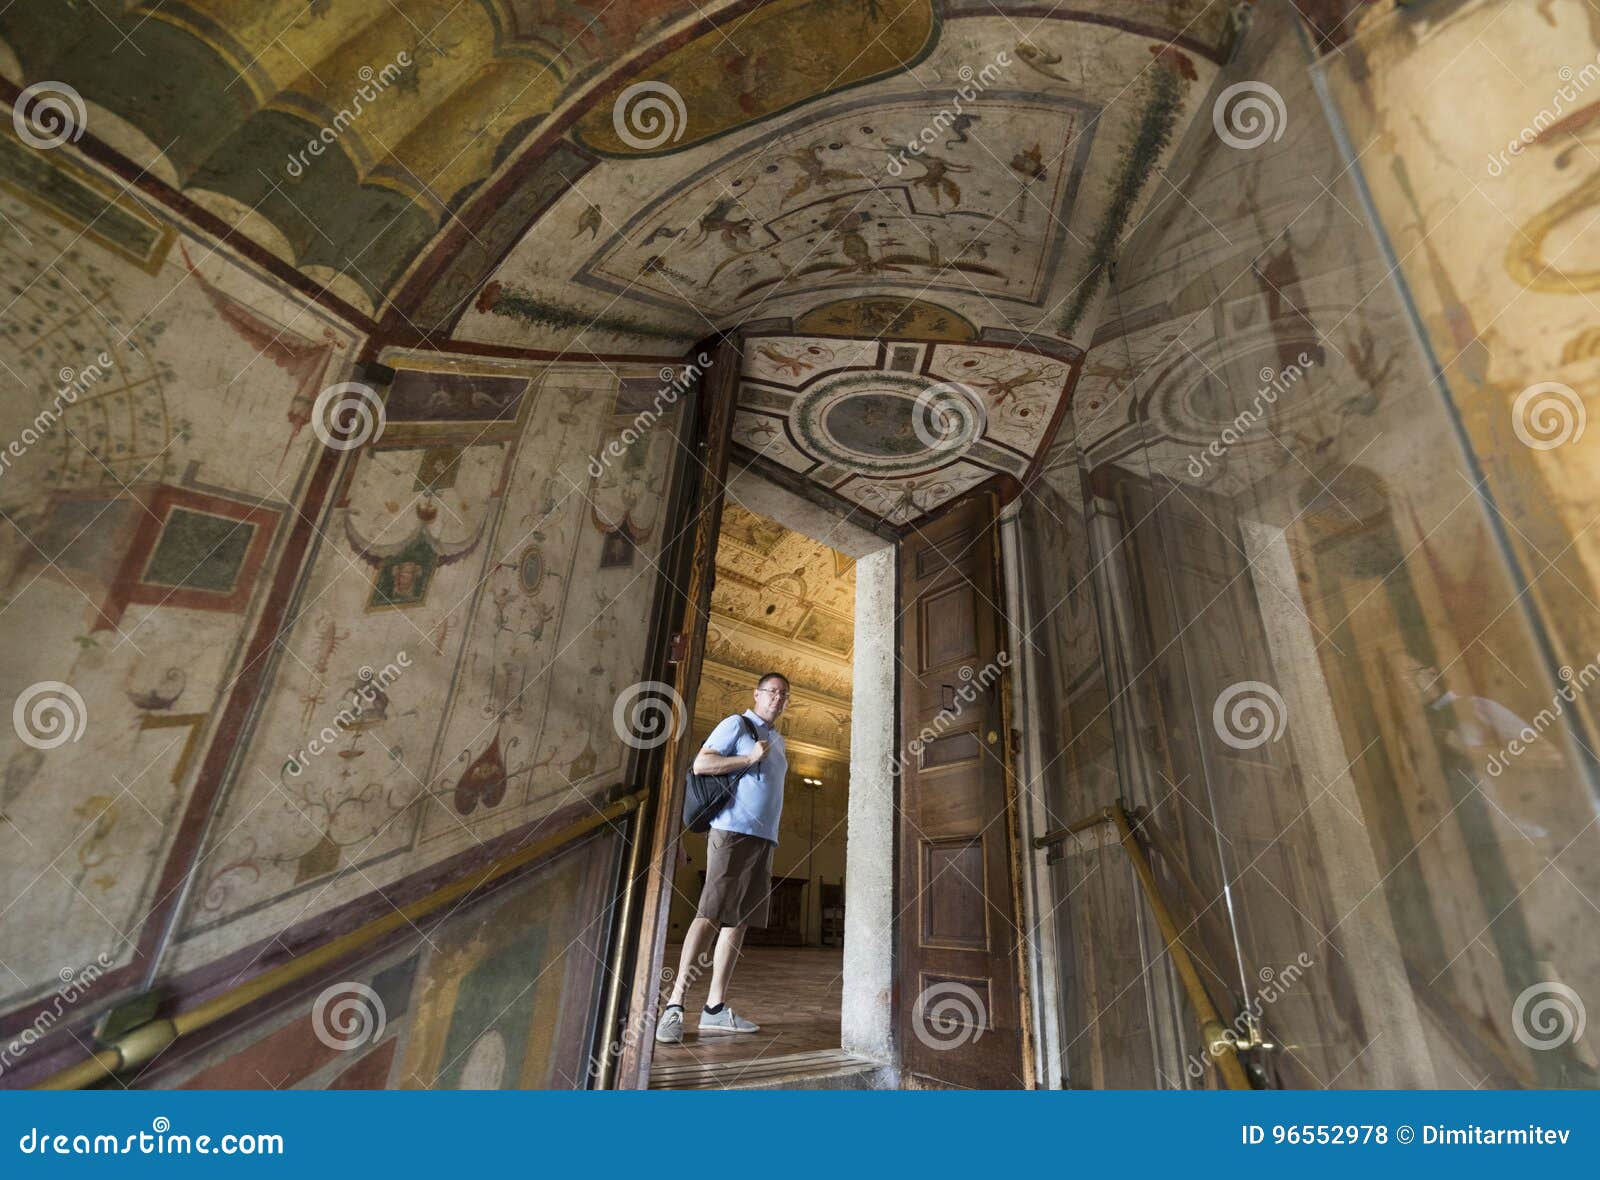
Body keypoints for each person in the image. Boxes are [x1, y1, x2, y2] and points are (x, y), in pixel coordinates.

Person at [656, 672, 790, 1042]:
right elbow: (702, 764)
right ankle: (675, 1005)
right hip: (732, 833)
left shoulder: (777, 739)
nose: (778, 699)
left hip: (764, 839)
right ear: (757, 694)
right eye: (772, 692)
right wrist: (748, 757)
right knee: (710, 914)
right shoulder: (737, 724)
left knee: (739, 920)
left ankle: (714, 1008)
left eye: (784, 695)